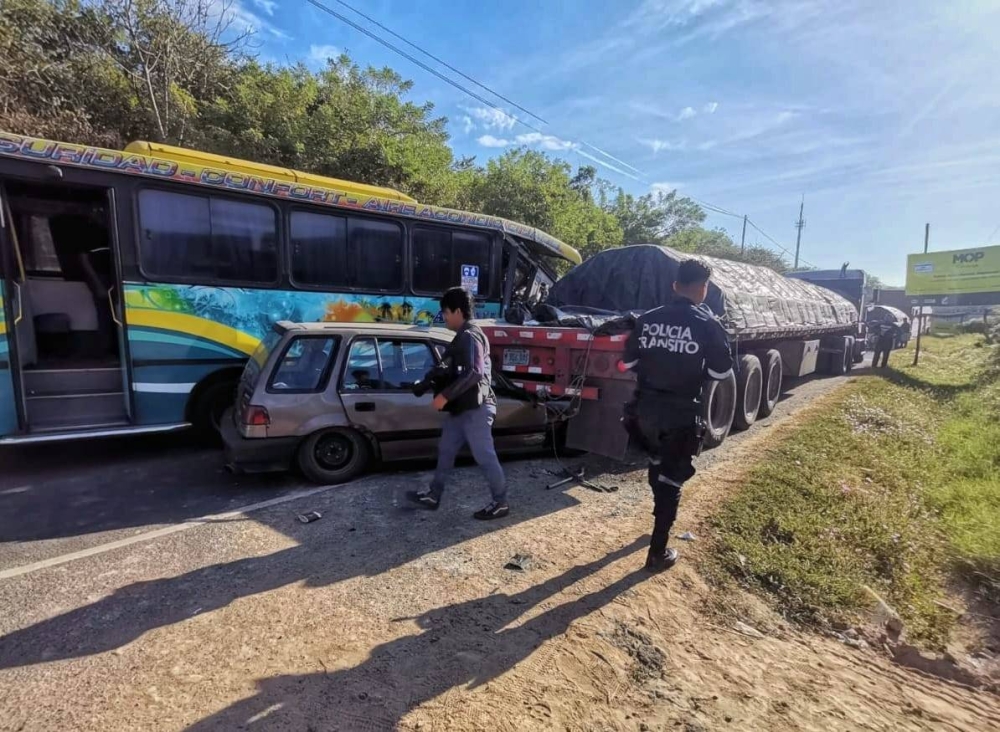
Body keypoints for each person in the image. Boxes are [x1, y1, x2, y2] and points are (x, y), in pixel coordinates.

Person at [619, 259, 733, 573]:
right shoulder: (707, 323)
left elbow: (628, 363)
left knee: (656, 463)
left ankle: (659, 516)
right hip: (680, 413)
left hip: (645, 411)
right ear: (703, 288)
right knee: (672, 478)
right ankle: (657, 552)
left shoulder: (647, 319)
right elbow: (721, 371)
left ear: (675, 286)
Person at [407, 287, 508, 520]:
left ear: (458, 311)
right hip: (461, 407)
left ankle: (500, 503)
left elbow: (474, 372)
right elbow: (448, 368)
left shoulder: (471, 335)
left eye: (445, 312)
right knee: (446, 450)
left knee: (485, 457)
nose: (444, 317)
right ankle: (434, 495)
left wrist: (445, 396)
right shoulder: (461, 336)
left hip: (477, 409)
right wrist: (426, 383)